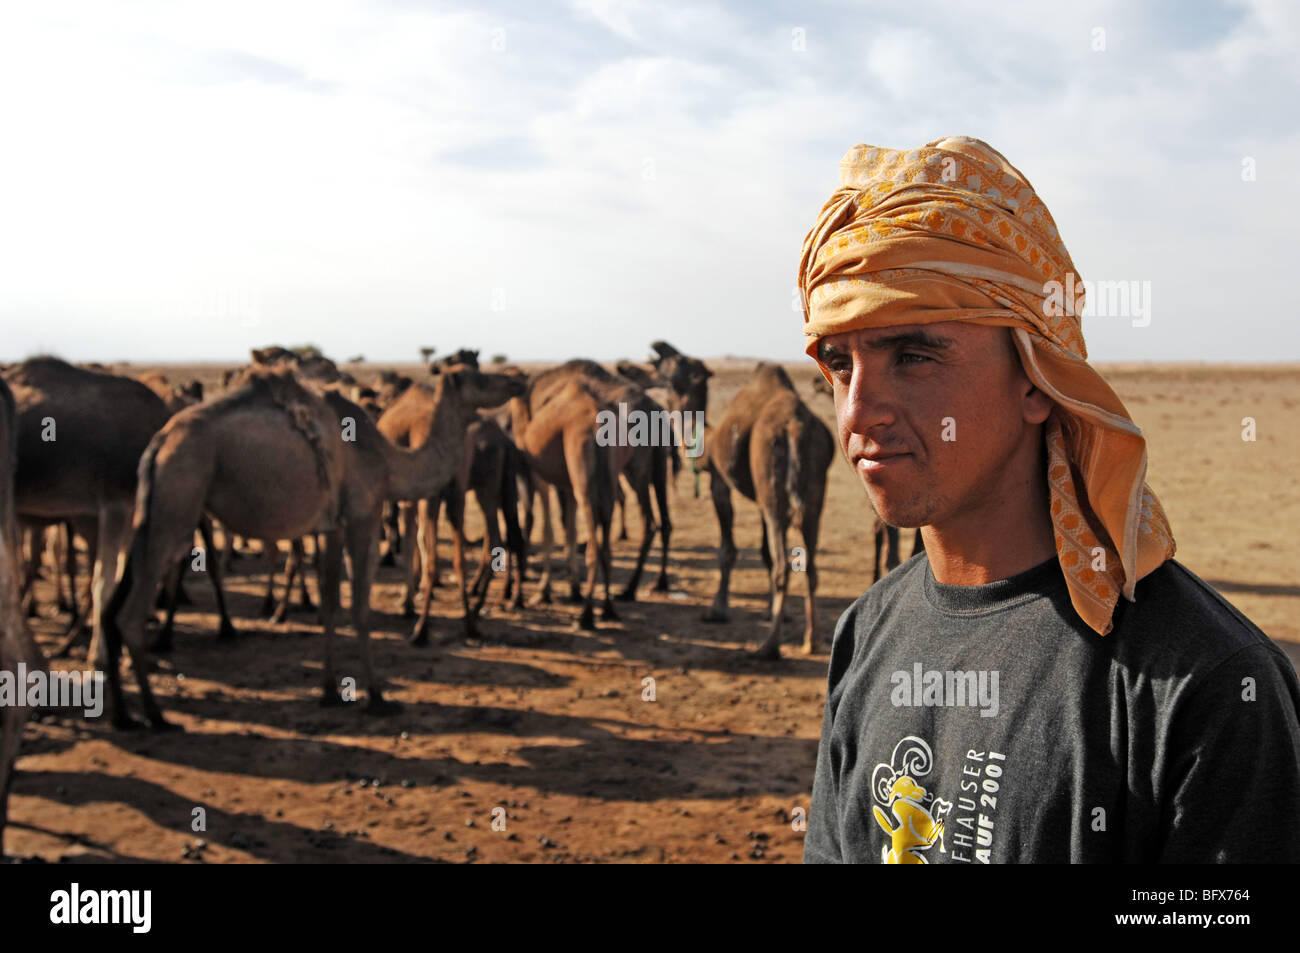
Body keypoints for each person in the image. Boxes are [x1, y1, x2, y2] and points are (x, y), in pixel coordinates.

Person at [798, 136, 1300, 863]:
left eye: (914, 356)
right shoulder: (866, 634)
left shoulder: (1203, 689)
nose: (857, 411)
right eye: (840, 363)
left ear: (1037, 377)